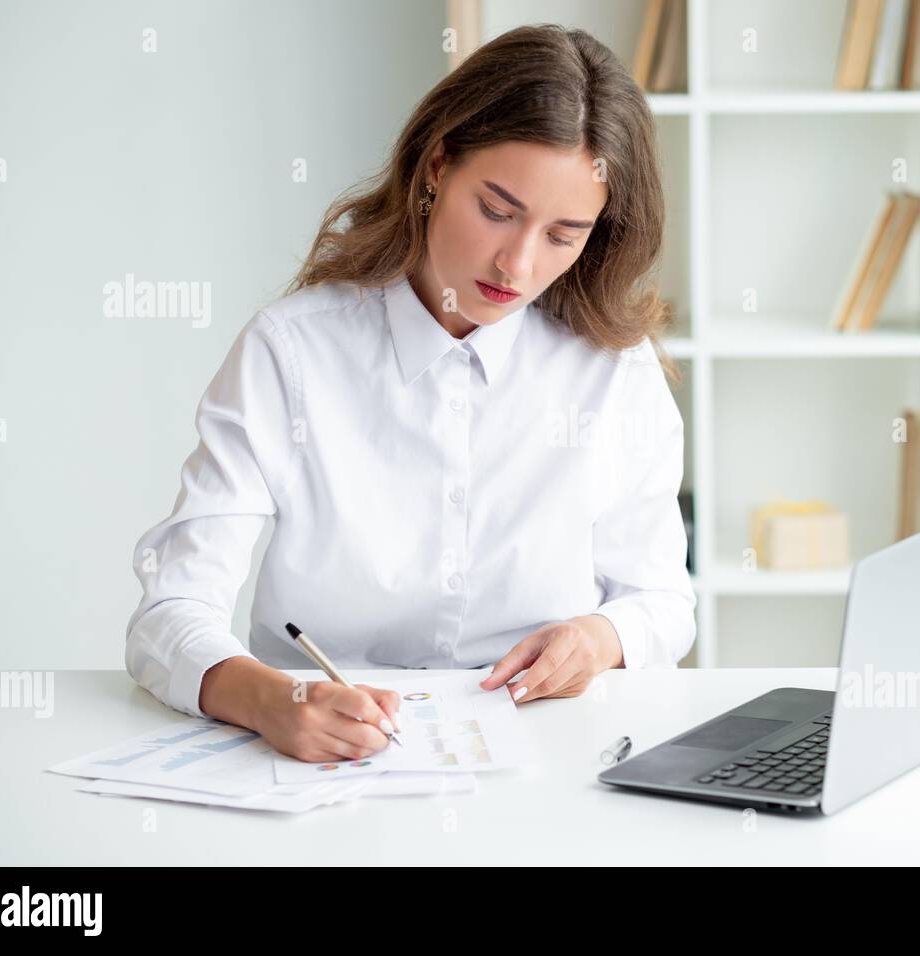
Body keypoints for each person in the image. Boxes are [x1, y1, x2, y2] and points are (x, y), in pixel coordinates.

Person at [125, 24, 695, 763]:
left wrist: (600, 637)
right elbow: (168, 612)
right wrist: (273, 700)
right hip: (322, 765)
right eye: (497, 209)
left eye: (565, 233)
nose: (517, 264)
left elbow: (664, 603)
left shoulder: (615, 369)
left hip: (544, 761)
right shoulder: (293, 352)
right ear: (436, 165)